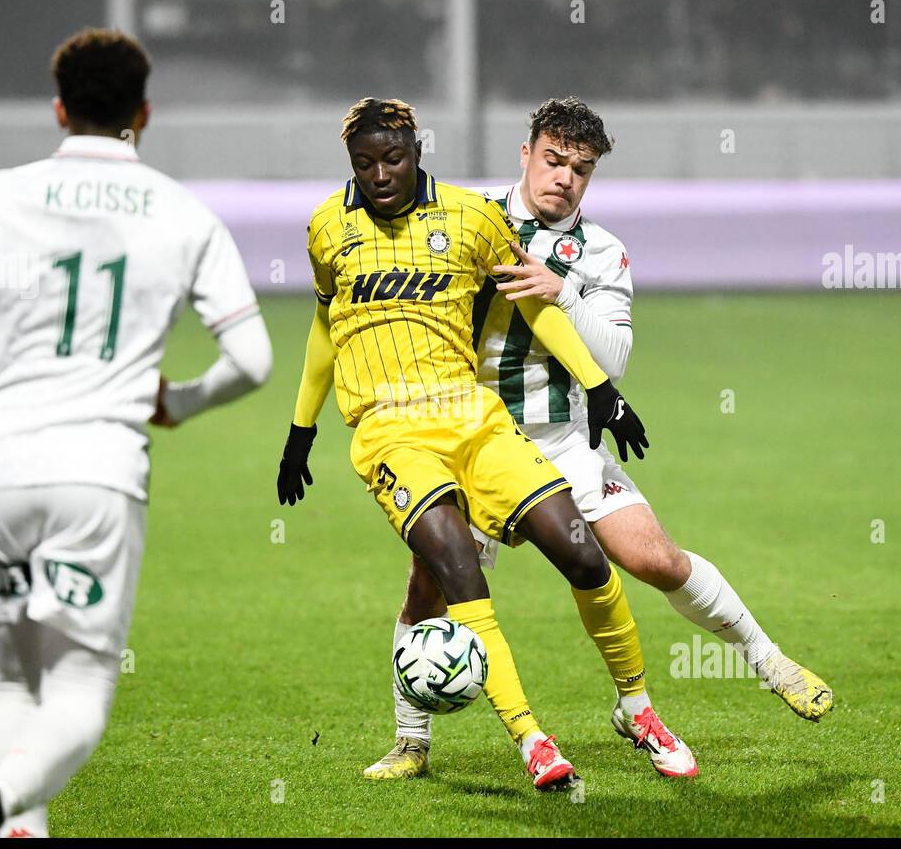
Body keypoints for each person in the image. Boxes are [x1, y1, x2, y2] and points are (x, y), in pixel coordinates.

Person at [0, 28, 272, 836]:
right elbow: (253, 360)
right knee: (78, 692)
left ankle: (11, 822)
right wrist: (180, 402)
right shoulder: (185, 214)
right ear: (144, 112)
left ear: (60, 109)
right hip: (95, 471)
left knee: (11, 685)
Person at [364, 97, 833, 783]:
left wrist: (563, 292)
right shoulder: (465, 218)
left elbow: (612, 360)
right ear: (526, 154)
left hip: (561, 442)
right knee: (429, 588)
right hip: (468, 438)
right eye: (553, 160)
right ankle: (411, 742)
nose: (564, 178)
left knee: (654, 559)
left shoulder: (604, 252)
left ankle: (769, 663)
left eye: (580, 169)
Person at [277, 97, 692, 790]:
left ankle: (639, 709)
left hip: (476, 420)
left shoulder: (472, 217)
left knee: (582, 553)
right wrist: (301, 429)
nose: (379, 174)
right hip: (390, 433)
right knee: (453, 569)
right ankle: (531, 740)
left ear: (417, 152)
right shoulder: (327, 226)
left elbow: (534, 302)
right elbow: (326, 326)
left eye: (393, 158)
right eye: (364, 162)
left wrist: (599, 387)